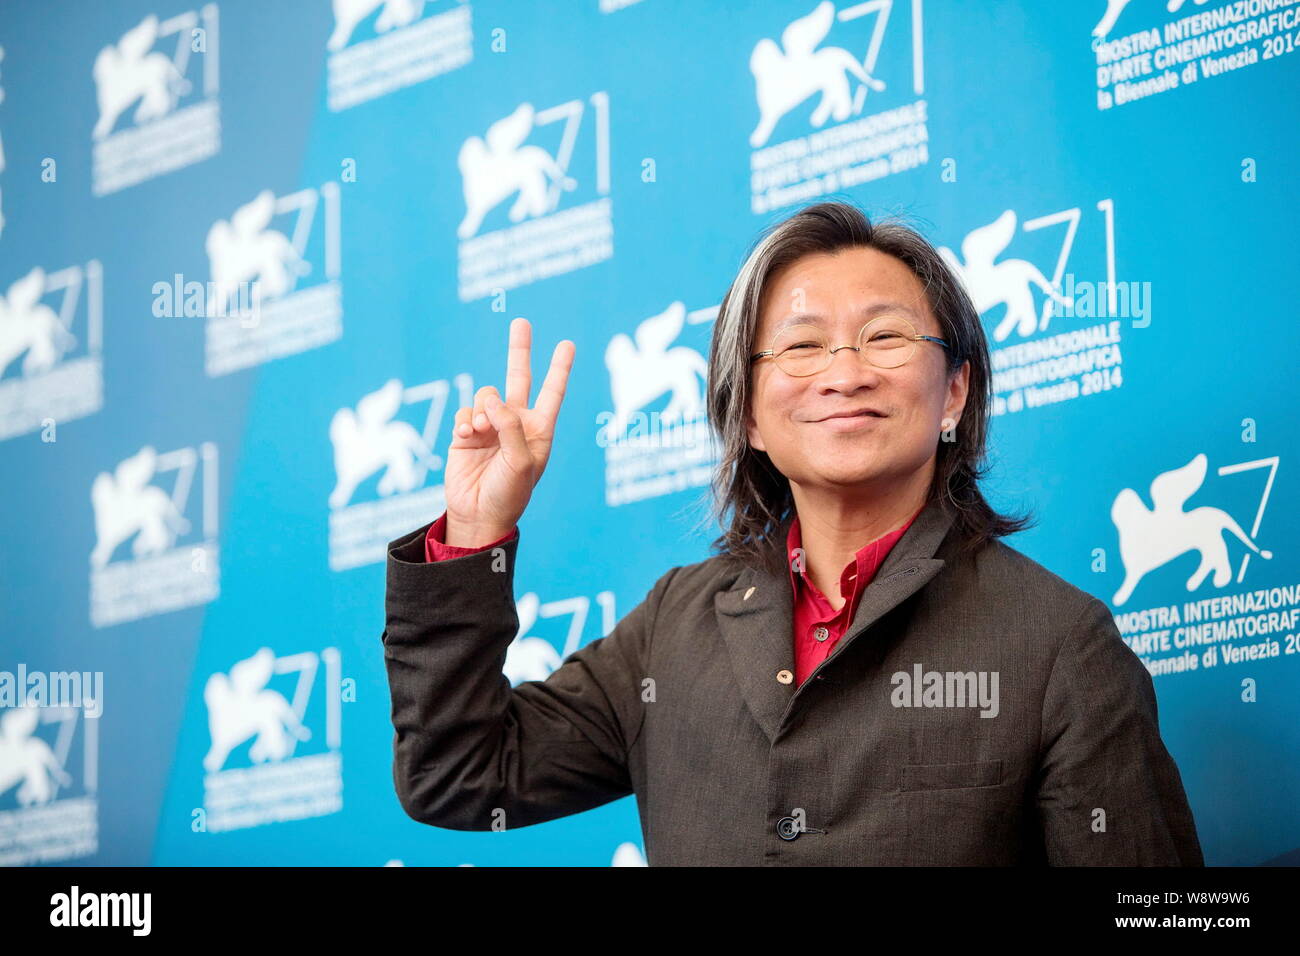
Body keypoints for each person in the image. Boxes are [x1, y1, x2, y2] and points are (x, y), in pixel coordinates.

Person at [381, 200, 1203, 865]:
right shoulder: (675, 628)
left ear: (954, 393)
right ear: (751, 420)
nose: (844, 372)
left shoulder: (1060, 645)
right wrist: (476, 530)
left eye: (885, 336)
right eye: (801, 347)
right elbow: (461, 777)